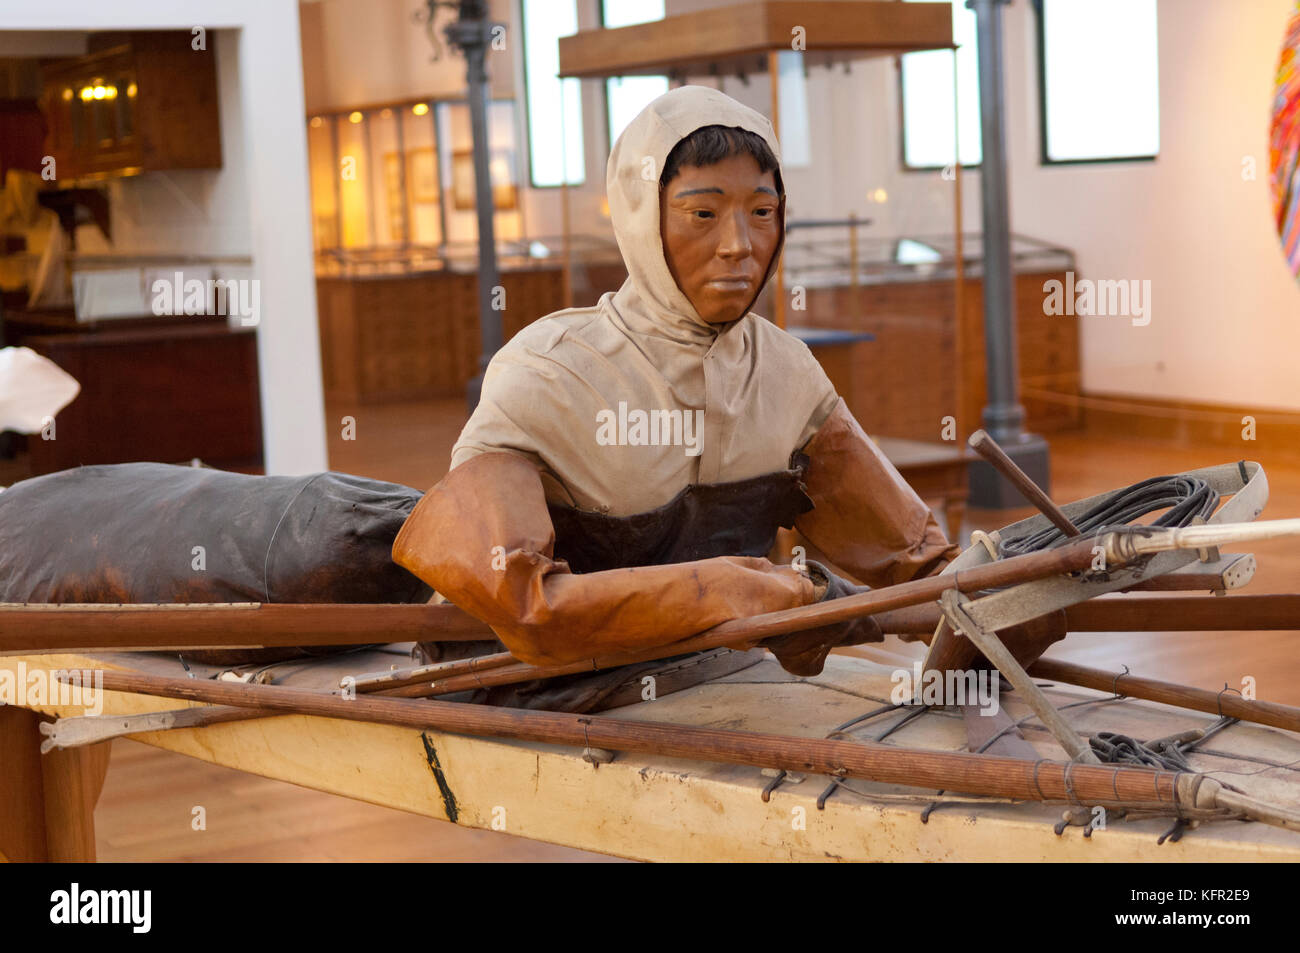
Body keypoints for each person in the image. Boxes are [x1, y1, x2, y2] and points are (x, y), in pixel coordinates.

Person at [393, 86, 961, 677]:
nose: (739, 245)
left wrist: (990, 587)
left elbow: (914, 561)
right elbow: (522, 606)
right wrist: (744, 590)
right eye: (703, 215)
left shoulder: (786, 373)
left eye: (761, 213)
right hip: (533, 692)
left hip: (708, 678)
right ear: (643, 218)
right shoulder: (549, 374)